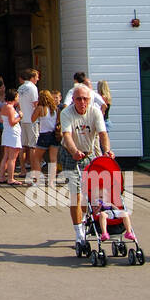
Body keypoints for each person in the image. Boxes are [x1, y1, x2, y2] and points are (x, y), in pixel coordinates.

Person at [59, 83, 110, 251]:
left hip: (89, 154)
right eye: (78, 99)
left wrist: (107, 151)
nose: (82, 102)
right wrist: (74, 151)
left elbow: (103, 134)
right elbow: (66, 135)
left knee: (91, 194)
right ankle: (79, 233)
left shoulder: (95, 112)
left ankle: (87, 221)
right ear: (73, 100)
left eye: (85, 99)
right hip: (70, 154)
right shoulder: (66, 113)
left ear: (90, 100)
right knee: (76, 195)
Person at [33, 90, 62, 184]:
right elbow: (58, 121)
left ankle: (38, 179)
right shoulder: (55, 109)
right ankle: (52, 181)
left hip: (44, 135)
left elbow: (32, 119)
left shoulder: (40, 108)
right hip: (54, 134)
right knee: (53, 159)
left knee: (36, 158)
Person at [17, 68, 41, 178]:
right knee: (32, 146)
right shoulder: (33, 88)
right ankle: (33, 171)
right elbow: (35, 104)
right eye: (36, 77)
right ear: (32, 78)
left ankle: (23, 169)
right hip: (32, 120)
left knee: (22, 146)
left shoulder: (20, 88)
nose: (38, 79)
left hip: (22, 120)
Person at [0, 88, 23, 185]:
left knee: (6, 156)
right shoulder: (10, 108)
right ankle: (10, 178)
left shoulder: (4, 106)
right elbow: (12, 122)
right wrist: (20, 117)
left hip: (6, 132)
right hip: (13, 133)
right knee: (12, 157)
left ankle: (2, 177)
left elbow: (1, 119)